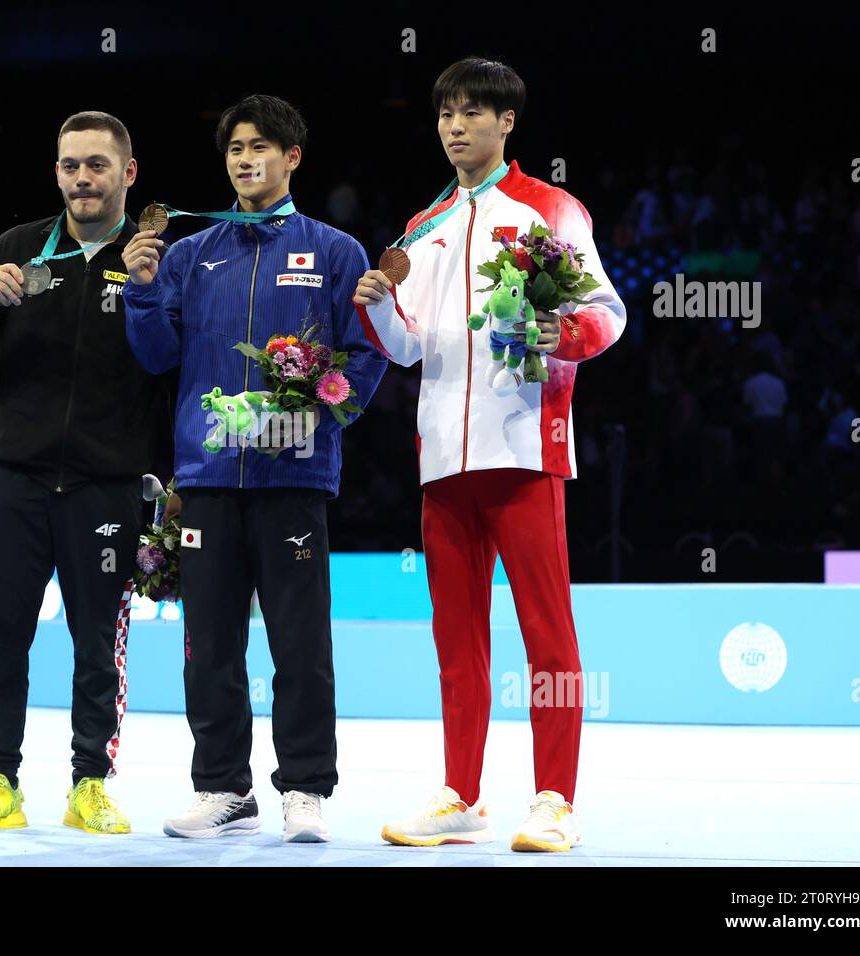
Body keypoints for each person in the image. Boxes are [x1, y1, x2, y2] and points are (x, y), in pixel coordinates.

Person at [353, 57, 626, 852]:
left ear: (508, 122)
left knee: (548, 632)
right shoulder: (421, 228)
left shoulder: (551, 208)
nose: (455, 126)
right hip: (443, 455)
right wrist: (377, 312)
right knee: (456, 636)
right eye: (445, 113)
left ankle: (553, 799)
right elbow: (407, 349)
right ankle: (461, 796)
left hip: (524, 449)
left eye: (473, 112)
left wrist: (564, 333)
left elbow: (605, 311)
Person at [123, 94, 387, 843]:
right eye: (235, 147)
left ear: (293, 157)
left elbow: (365, 353)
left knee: (300, 641)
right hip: (207, 479)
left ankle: (305, 787)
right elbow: (157, 358)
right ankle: (222, 787)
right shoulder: (186, 254)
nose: (245, 159)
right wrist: (141, 293)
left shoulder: (335, 252)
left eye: (261, 146)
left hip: (294, 479)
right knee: (209, 642)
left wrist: (322, 410)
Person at [0, 111, 170, 835]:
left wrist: (164, 478)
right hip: (15, 478)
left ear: (127, 173)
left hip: (106, 483)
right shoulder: (16, 249)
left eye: (97, 165)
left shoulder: (154, 258)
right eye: (70, 165)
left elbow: (172, 364)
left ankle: (90, 784)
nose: (82, 179)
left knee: (100, 640)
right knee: (1, 635)